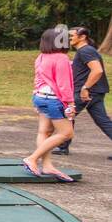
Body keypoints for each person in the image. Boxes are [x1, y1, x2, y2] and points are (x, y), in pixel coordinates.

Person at [23, 27, 77, 180]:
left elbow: (38, 80)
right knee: (66, 133)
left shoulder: (41, 57)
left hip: (40, 97)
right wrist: (70, 104)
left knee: (44, 132)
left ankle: (47, 166)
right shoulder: (61, 58)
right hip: (54, 99)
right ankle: (32, 158)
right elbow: (64, 84)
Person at [54, 25, 112, 160]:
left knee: (67, 115)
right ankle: (63, 146)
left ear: (82, 37)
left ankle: (62, 146)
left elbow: (97, 70)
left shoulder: (86, 51)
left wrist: (85, 88)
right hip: (94, 92)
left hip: (86, 92)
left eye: (71, 36)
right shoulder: (84, 51)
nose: (69, 38)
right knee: (103, 121)